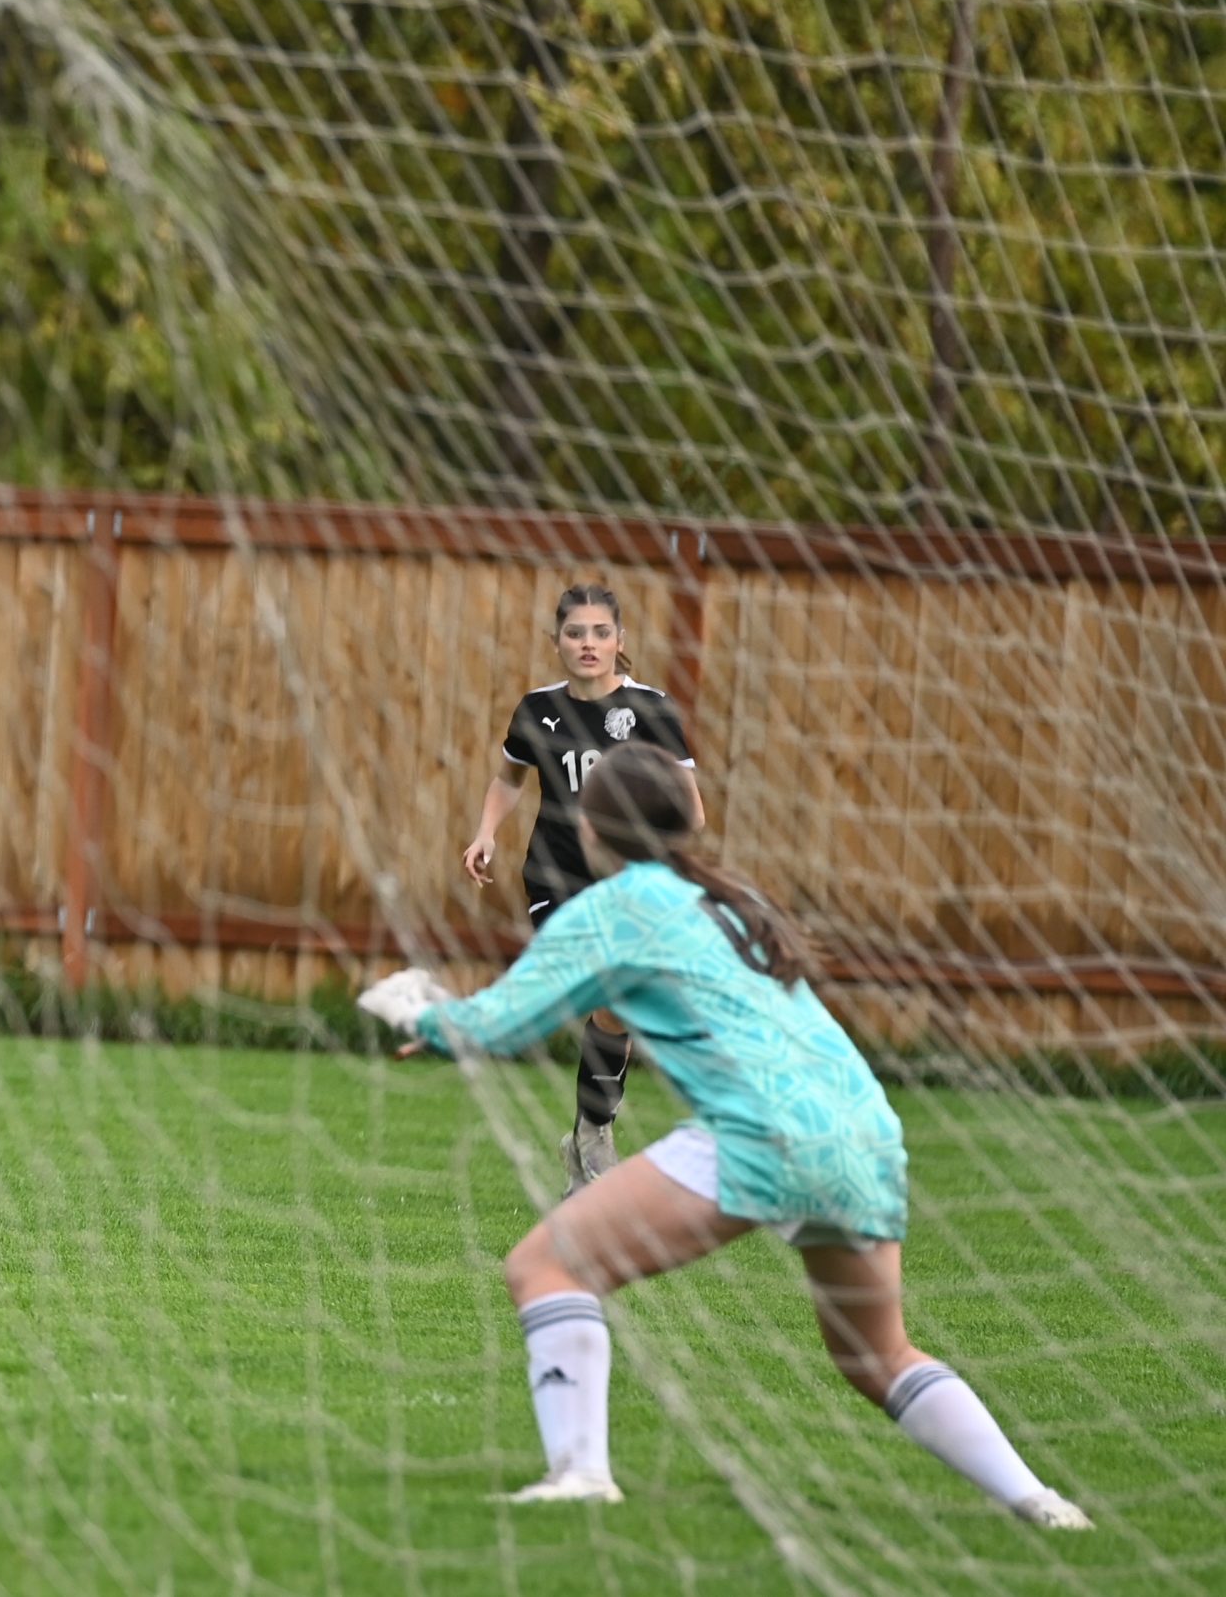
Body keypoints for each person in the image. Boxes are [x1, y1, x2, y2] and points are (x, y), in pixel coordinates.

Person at [360, 746, 1090, 1527]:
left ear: (587, 830)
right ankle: (1037, 1499)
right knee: (879, 1356)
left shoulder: (617, 908)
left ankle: (580, 1477)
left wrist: (419, 1011)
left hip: (762, 1131)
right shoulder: (734, 898)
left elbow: (500, 1024)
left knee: (546, 1268)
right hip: (863, 1130)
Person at [459, 582, 701, 1193]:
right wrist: (487, 830)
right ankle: (591, 1137)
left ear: (620, 641)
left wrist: (643, 824)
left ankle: (590, 1136)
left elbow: (692, 814)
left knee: (613, 1004)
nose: (587, 644)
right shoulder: (536, 710)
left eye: (600, 632)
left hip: (624, 883)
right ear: (557, 642)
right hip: (555, 876)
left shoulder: (652, 712)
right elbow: (510, 777)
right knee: (602, 989)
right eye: (575, 633)